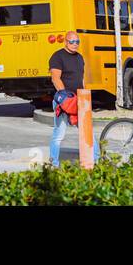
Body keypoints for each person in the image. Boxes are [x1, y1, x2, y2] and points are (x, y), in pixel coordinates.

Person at [48, 31, 98, 165]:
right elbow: (55, 79)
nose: (75, 44)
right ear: (65, 42)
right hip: (65, 101)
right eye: (72, 42)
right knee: (59, 134)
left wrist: (85, 96)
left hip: (80, 100)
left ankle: (96, 160)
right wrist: (65, 97)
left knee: (88, 132)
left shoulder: (79, 57)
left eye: (77, 42)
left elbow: (81, 79)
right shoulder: (58, 57)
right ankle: (54, 163)